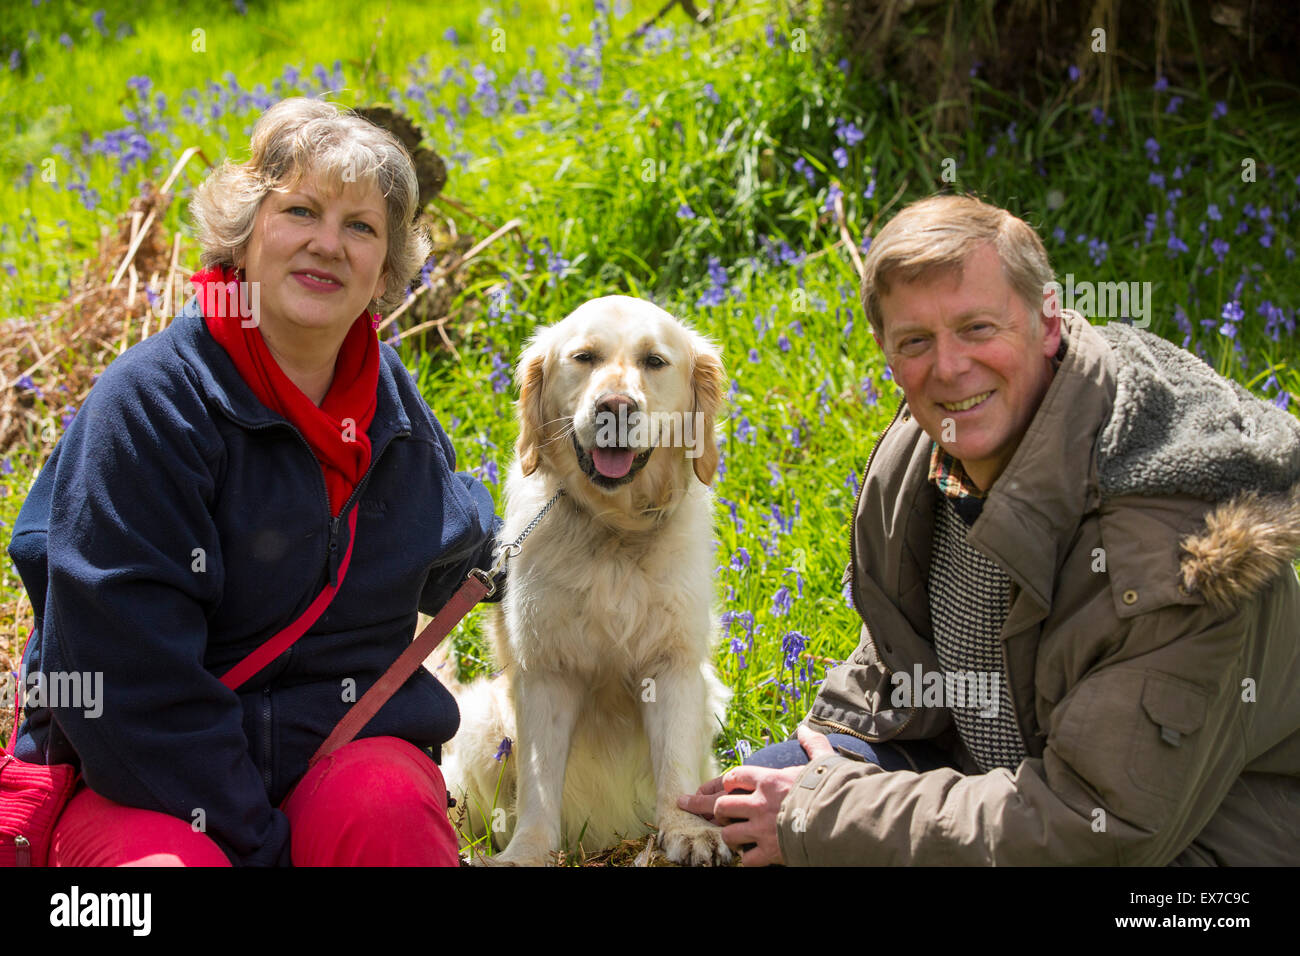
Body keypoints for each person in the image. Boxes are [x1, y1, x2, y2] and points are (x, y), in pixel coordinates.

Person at [679, 194, 1300, 865]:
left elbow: (1094, 827)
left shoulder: (1173, 548)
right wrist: (832, 748)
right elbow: (899, 657)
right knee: (749, 814)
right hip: (992, 781)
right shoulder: (921, 457)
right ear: (886, 353)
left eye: (978, 328)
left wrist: (826, 815)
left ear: (1049, 322)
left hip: (1183, 842)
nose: (948, 370)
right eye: (916, 341)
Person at [7, 98, 501, 866]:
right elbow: (121, 687)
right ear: (245, 232)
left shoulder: (386, 399)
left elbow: (451, 546)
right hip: (145, 777)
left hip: (329, 749)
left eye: (361, 226)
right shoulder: (150, 406)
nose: (327, 245)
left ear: (385, 267)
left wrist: (565, 514)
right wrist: (260, 845)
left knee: (390, 815)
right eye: (301, 210)